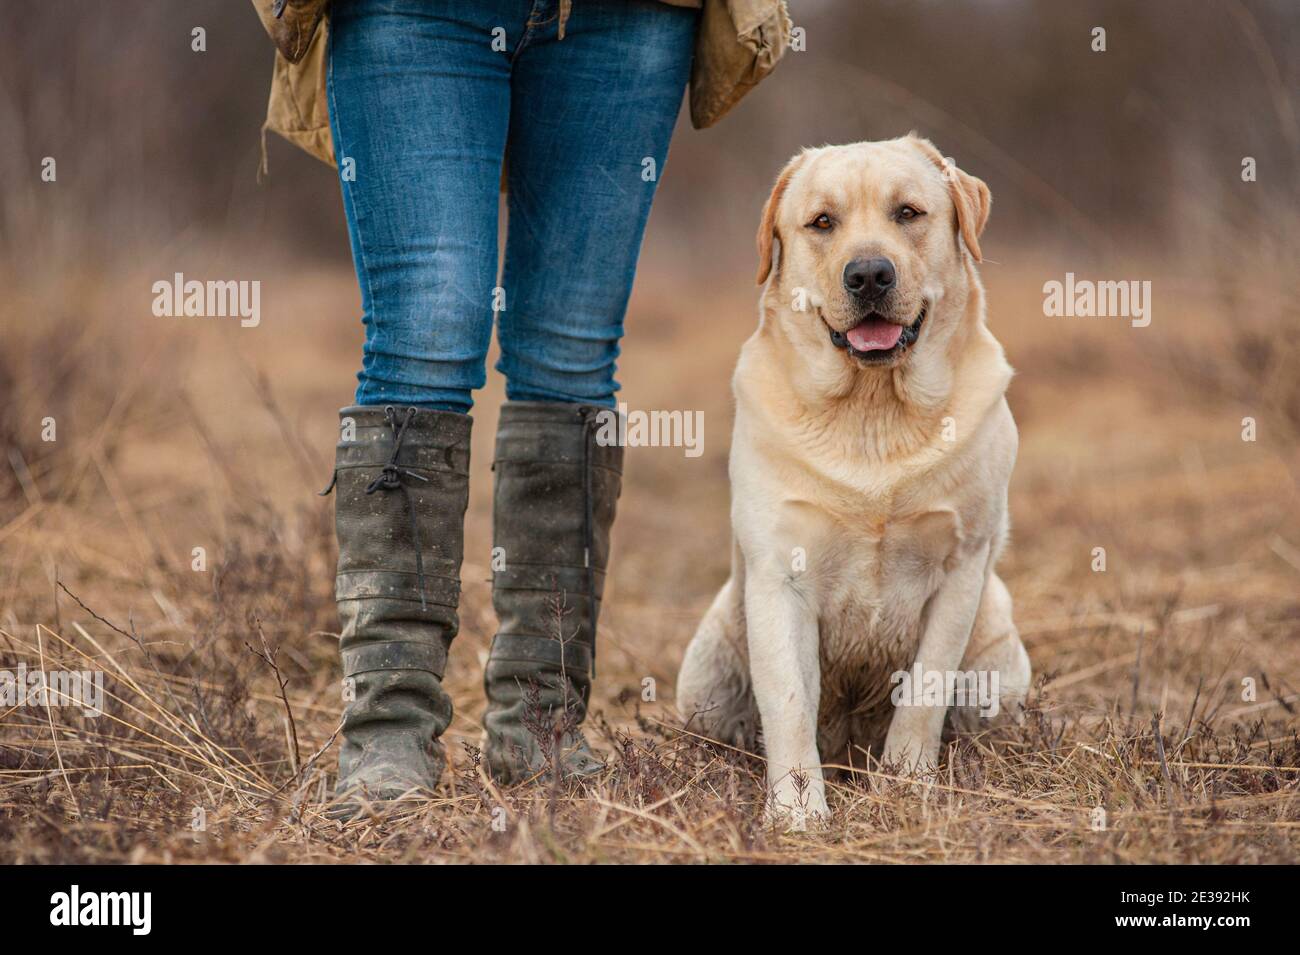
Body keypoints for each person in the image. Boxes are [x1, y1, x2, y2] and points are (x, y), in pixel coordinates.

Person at [251, 0, 790, 809]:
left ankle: (540, 725)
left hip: (632, 15)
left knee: (571, 355)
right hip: (411, 12)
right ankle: (388, 732)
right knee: (424, 332)